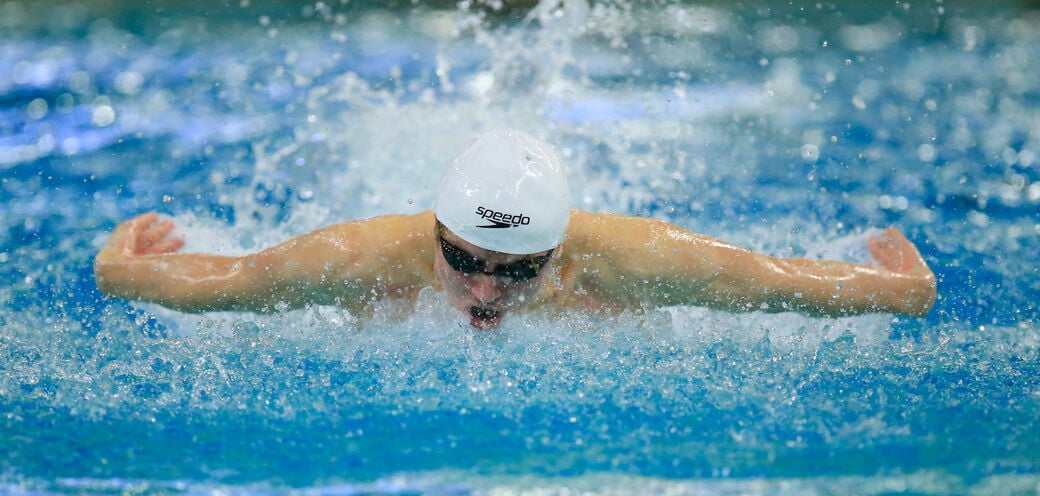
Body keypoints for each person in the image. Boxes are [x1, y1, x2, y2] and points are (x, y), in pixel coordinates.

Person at [94, 129, 937, 329]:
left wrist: (900, 291)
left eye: (518, 271)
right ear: (432, 232)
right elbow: (235, 282)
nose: (485, 290)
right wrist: (119, 268)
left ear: (559, 255)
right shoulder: (362, 256)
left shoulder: (635, 262)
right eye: (462, 259)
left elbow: (775, 282)